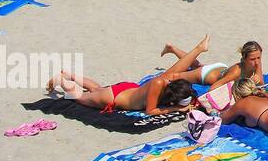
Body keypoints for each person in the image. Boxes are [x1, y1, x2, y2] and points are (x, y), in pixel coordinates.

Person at [46, 36, 208, 114]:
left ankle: (70, 75)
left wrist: (198, 49)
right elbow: (150, 111)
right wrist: (176, 109)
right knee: (80, 98)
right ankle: (61, 79)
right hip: (116, 98)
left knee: (96, 88)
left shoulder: (166, 80)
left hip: (128, 90)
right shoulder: (158, 85)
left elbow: (178, 67)